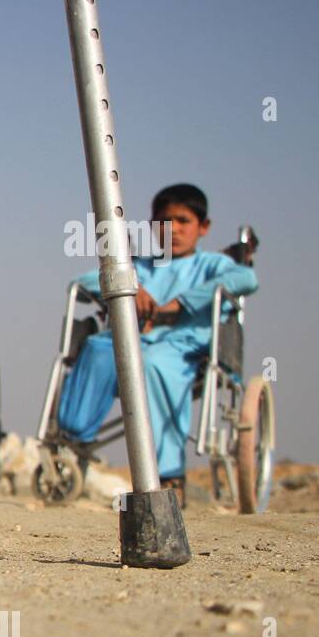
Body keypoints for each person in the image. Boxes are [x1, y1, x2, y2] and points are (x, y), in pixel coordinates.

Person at [56, 183, 258, 506]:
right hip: (127, 342)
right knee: (96, 348)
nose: (174, 230)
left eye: (183, 221)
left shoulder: (212, 266)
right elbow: (81, 281)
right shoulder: (142, 266)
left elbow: (247, 280)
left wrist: (181, 304)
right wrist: (131, 286)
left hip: (181, 349)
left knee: (150, 362)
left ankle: (167, 472)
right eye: (165, 222)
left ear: (203, 227)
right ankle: (70, 442)